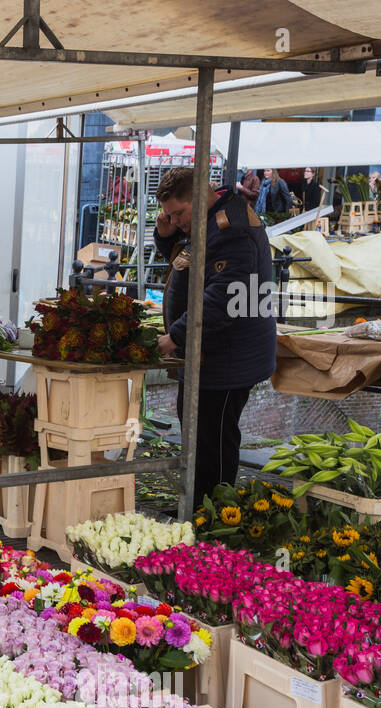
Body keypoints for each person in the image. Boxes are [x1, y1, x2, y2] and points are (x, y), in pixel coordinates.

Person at [153, 166, 277, 509]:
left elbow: (222, 299)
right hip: (209, 353)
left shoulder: (232, 230)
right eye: (169, 215)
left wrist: (174, 336)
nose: (175, 220)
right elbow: (192, 265)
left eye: (178, 213)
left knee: (215, 437)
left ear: (198, 196)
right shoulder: (210, 220)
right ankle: (195, 504)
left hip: (229, 356)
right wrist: (166, 238)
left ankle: (216, 512)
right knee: (197, 432)